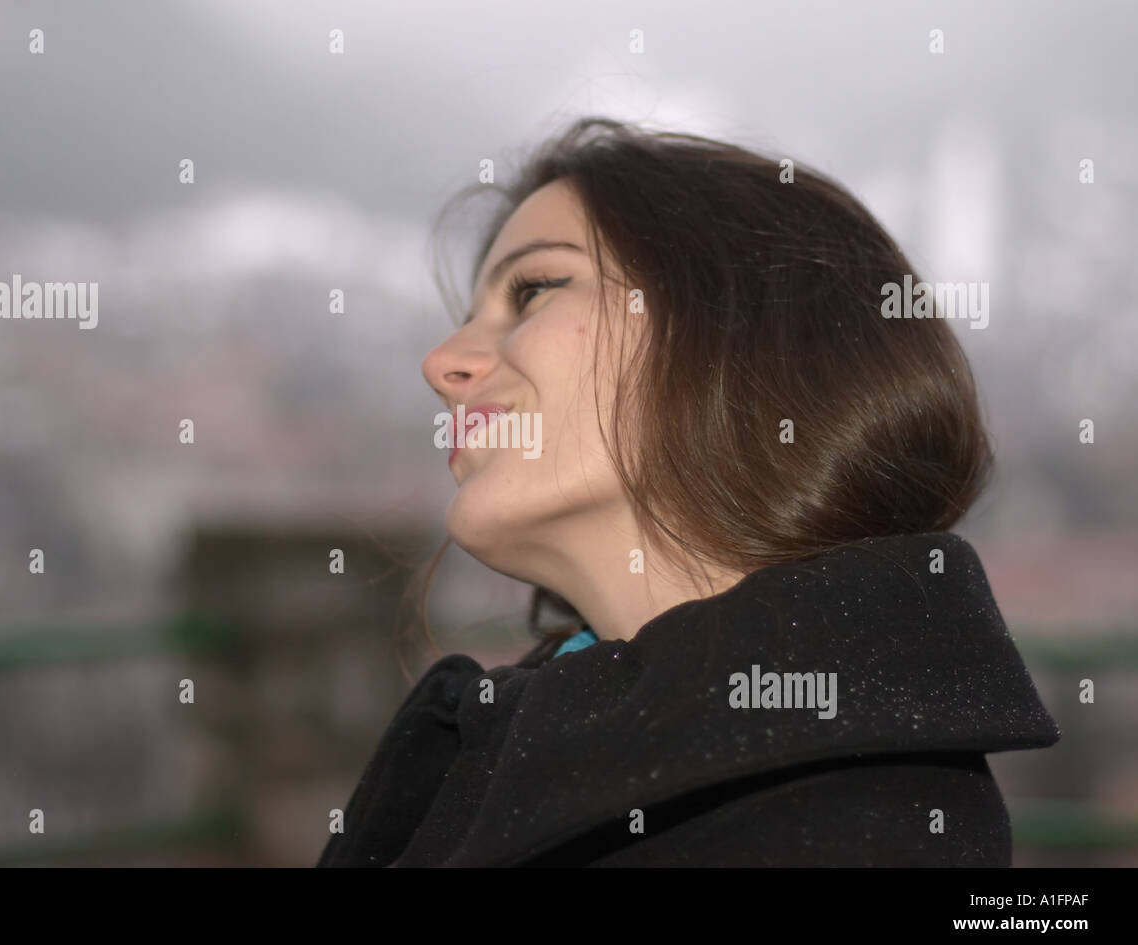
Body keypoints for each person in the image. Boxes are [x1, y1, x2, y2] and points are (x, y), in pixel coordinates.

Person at [316, 116, 1059, 867]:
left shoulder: (854, 826)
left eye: (534, 289)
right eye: (471, 316)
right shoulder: (507, 744)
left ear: (743, 333)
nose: (441, 363)